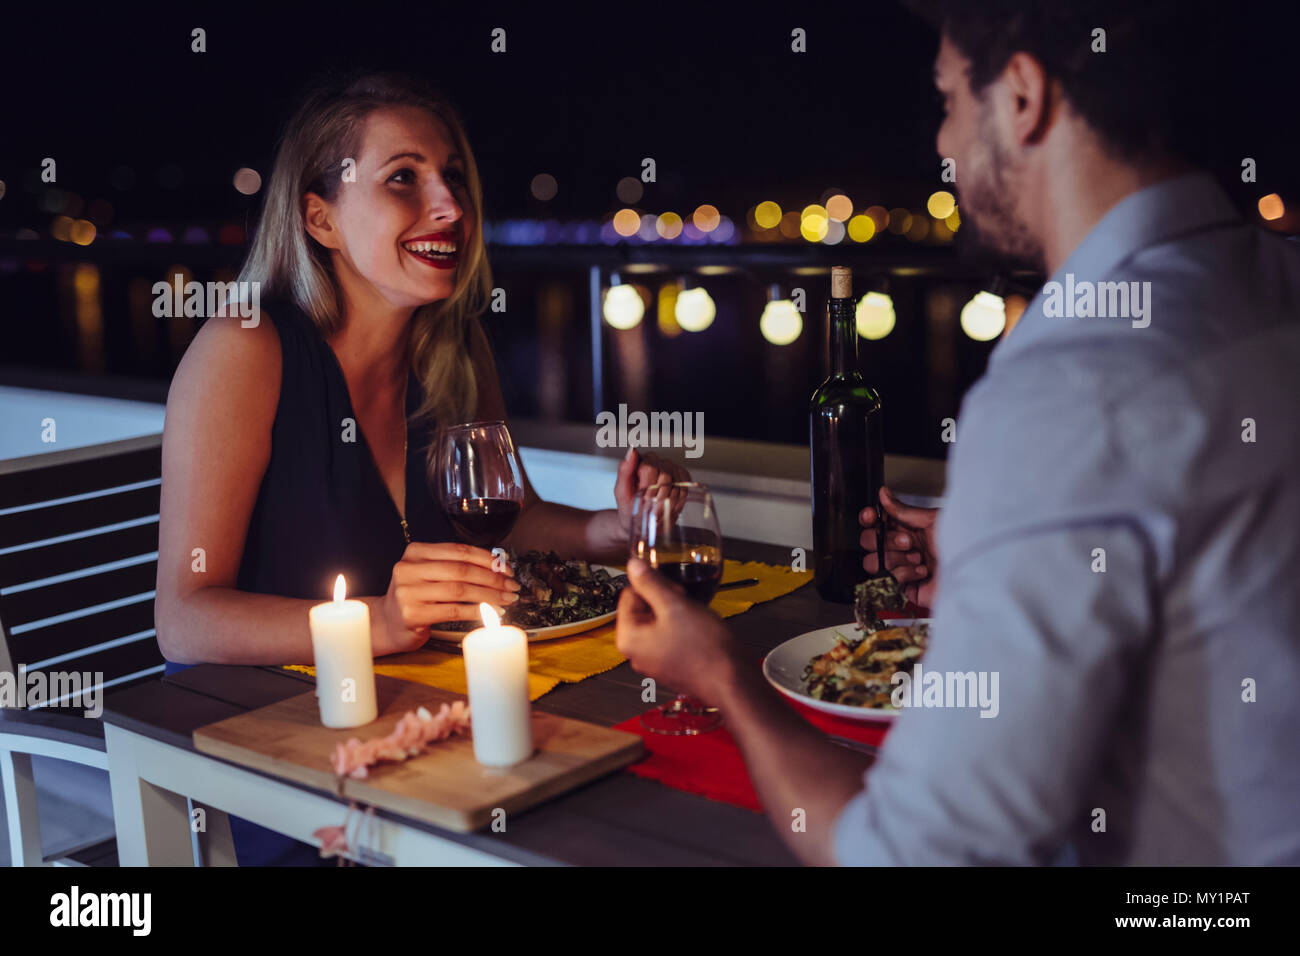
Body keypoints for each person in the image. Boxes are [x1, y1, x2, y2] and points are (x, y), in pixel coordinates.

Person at [616, 1, 1300, 865]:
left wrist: (718, 675)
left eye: (947, 99)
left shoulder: (1065, 391)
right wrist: (999, 548)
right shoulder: (1279, 280)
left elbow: (908, 856)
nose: (942, 143)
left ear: (1022, 98)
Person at [155, 72, 687, 864]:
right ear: (320, 217)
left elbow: (512, 517)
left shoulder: (452, 349)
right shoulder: (246, 348)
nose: (450, 207)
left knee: (635, 805)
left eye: (454, 178)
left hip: (426, 730)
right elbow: (184, 617)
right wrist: (381, 620)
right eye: (404, 178)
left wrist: (614, 529)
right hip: (289, 765)